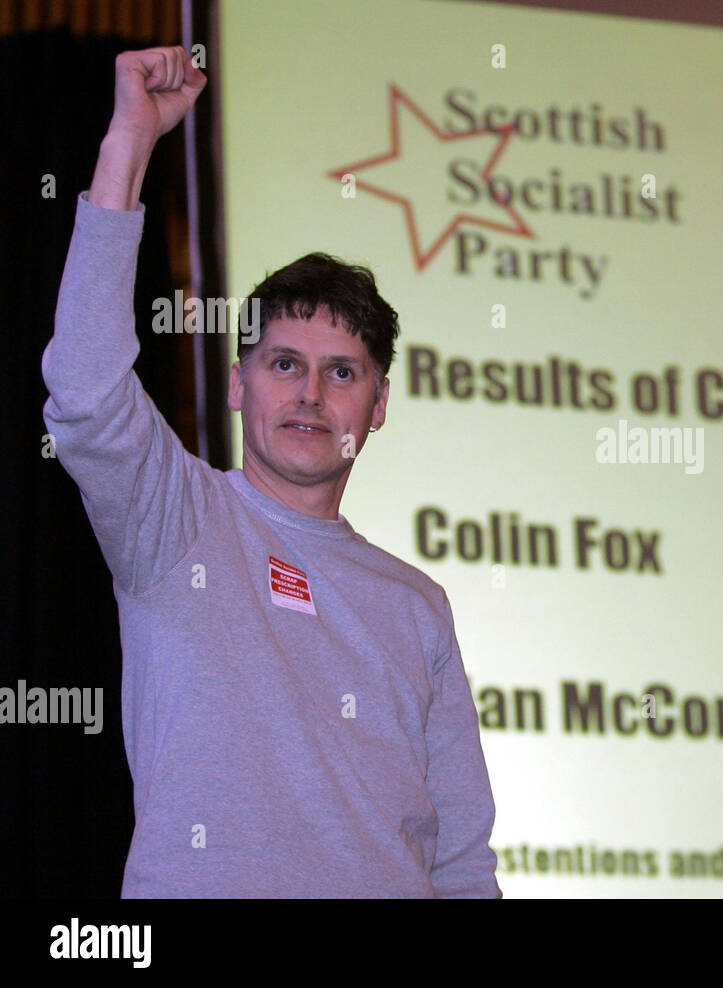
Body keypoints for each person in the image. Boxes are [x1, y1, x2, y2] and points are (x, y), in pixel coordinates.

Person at [42, 46, 500, 897]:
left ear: (379, 405)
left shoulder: (417, 606)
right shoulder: (174, 517)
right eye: (285, 364)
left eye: (343, 372)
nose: (312, 394)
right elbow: (83, 388)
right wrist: (128, 145)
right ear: (237, 385)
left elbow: (462, 862)